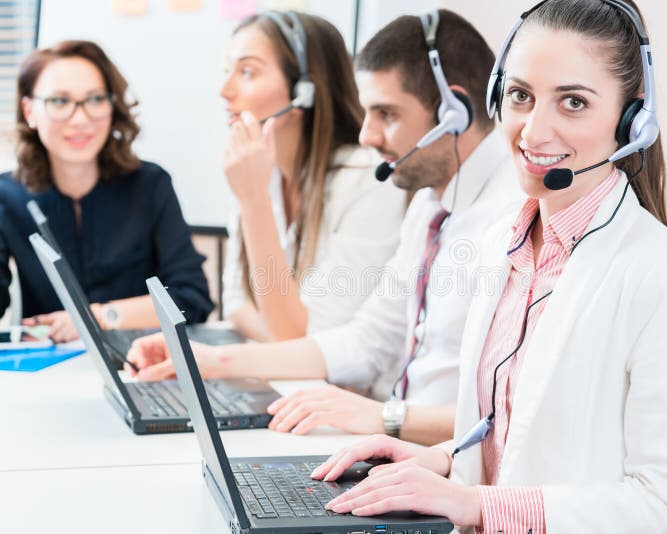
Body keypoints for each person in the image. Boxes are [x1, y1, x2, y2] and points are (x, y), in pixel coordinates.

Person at [309, 1, 667, 532]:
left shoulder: (665, 277)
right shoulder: (505, 242)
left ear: (632, 119)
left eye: (573, 102)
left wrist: (477, 505)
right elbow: (518, 437)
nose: (532, 131)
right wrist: (437, 461)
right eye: (521, 96)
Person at [128, 10, 524, 446]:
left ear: (456, 113)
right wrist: (208, 359)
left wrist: (383, 417)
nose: (367, 135)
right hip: (405, 448)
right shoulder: (431, 202)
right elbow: (371, 339)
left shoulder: (514, 217)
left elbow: (511, 414)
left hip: (448, 466)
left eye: (386, 114)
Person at [0, 40, 212, 343]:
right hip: (51, 372)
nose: (81, 118)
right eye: (60, 101)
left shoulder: (151, 185)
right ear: (29, 110)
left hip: (143, 363)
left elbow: (192, 298)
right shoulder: (7, 195)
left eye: (96, 99)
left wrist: (99, 317)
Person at [219, 11, 406, 341]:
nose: (224, 90)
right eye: (227, 71)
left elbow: (304, 338)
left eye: (247, 72)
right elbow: (236, 303)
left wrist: (254, 203)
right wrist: (283, 344)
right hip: (280, 374)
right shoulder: (260, 168)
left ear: (303, 90)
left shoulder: (368, 181)